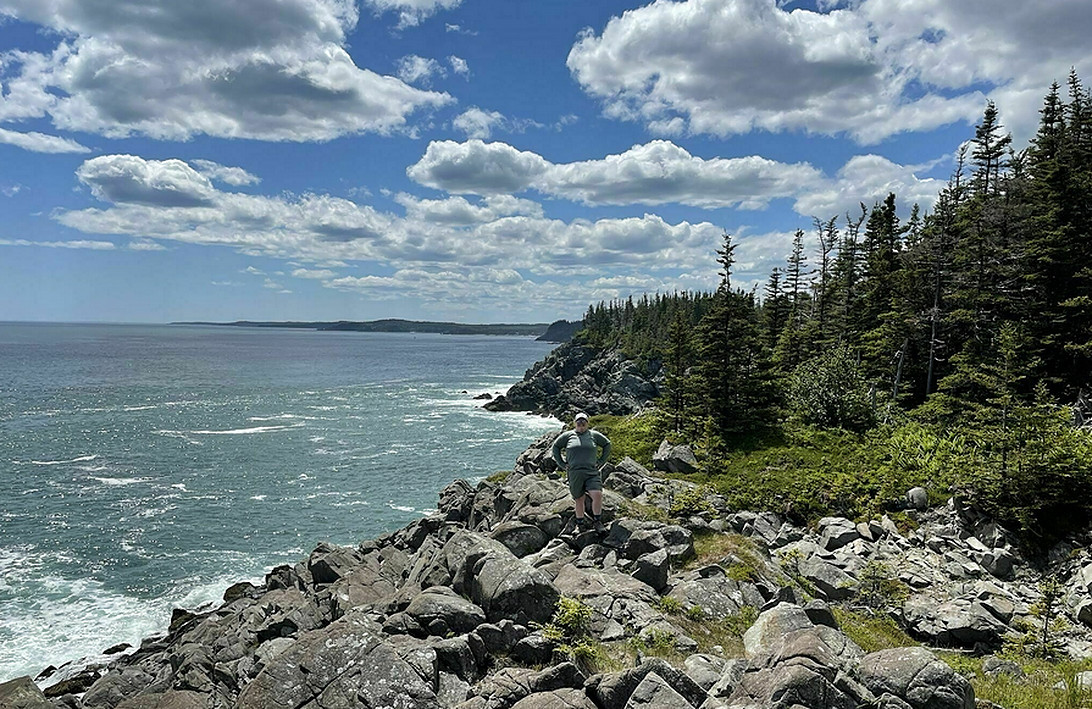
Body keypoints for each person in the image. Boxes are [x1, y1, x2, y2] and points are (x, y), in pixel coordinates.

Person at [551, 412, 611, 532]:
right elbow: (556, 446)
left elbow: (607, 444)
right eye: (579, 422)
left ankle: (597, 522)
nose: (581, 424)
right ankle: (580, 524)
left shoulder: (593, 435)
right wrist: (562, 464)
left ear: (587, 423)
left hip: (591, 471)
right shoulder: (568, 436)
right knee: (579, 499)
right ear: (575, 423)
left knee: (597, 494)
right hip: (575, 472)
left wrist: (601, 460)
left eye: (583, 422)